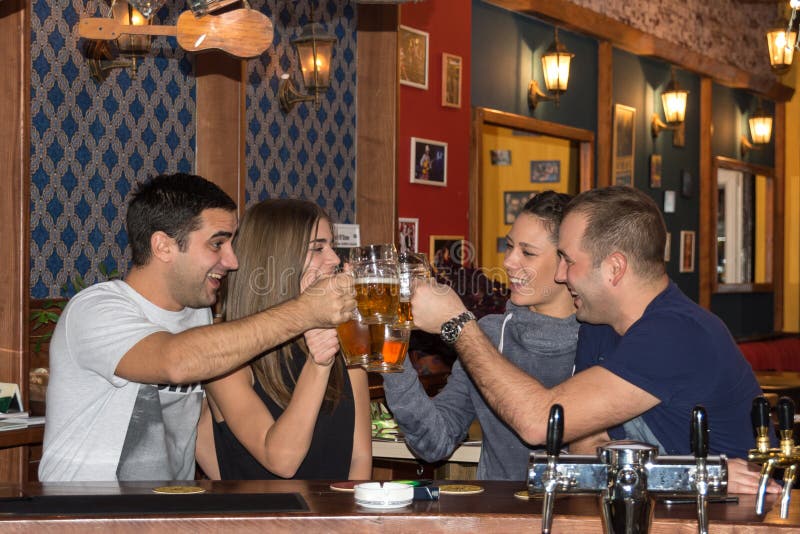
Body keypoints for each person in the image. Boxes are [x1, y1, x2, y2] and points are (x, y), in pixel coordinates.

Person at [410, 186, 774, 494]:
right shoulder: (599, 327)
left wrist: (458, 325)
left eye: (568, 259)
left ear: (614, 268)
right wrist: (679, 474)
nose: (562, 274)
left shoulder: (677, 333)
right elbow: (584, 444)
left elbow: (540, 423)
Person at [39, 173, 355, 482]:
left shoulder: (198, 315)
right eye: (217, 244)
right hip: (85, 512)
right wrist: (306, 312)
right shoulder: (96, 310)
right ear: (163, 246)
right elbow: (176, 362)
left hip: (168, 512)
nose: (232, 261)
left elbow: (197, 423)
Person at [383, 191, 579, 481]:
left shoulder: (600, 339)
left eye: (527, 252)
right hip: (496, 518)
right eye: (510, 246)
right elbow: (434, 441)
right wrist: (389, 341)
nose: (509, 261)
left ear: (566, 262)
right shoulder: (488, 333)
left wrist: (458, 323)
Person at [198, 199, 372, 480]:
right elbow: (282, 461)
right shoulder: (224, 354)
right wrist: (319, 363)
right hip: (261, 521)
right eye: (317, 248)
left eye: (331, 246)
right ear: (277, 261)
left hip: (333, 520)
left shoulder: (347, 339)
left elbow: (359, 459)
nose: (335, 259)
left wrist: (350, 522)